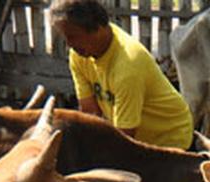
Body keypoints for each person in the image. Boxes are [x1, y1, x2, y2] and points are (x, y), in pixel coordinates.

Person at [51, 0, 194, 150]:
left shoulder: (128, 66)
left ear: (97, 28)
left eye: (73, 36)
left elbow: (123, 141)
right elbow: (90, 114)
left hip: (169, 137)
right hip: (135, 135)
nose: (68, 45)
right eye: (65, 37)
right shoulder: (79, 55)